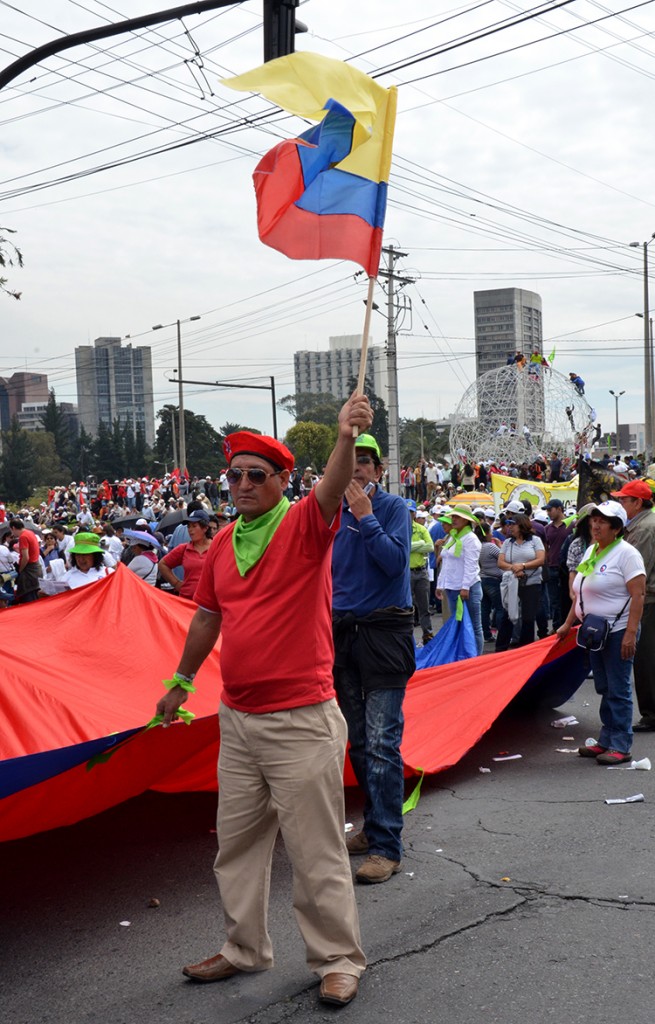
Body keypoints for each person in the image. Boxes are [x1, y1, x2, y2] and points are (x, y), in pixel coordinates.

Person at [155, 394, 371, 1007]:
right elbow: (205, 618)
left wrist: (344, 436)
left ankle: (338, 960)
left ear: (282, 481)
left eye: (257, 474)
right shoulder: (224, 541)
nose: (243, 484)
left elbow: (331, 488)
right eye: (235, 475)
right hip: (239, 719)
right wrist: (181, 682)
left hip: (301, 720)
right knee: (238, 846)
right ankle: (243, 948)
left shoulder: (305, 524)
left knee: (316, 850)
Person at [331, 432, 414, 885]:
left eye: (366, 462)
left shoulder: (393, 509)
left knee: (383, 742)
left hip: (385, 633)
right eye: (351, 461)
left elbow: (394, 563)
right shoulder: (327, 515)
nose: (358, 468)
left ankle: (387, 846)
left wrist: (366, 518)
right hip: (341, 634)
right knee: (358, 741)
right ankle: (373, 826)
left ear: (379, 471)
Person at [556, 501, 645, 764]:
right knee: (604, 687)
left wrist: (630, 633)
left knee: (618, 689)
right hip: (594, 632)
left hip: (618, 631)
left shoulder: (627, 554)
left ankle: (621, 745)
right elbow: (581, 592)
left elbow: (638, 595)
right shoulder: (593, 550)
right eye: (593, 520)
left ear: (616, 528)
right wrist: (567, 623)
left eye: (602, 521)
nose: (595, 525)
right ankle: (606, 739)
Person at [610, 480, 655, 731]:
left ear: (638, 503)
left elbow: (638, 573)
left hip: (648, 599)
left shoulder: (644, 528)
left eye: (623, 500)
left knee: (645, 658)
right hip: (647, 597)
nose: (620, 504)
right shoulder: (640, 525)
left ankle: (651, 714)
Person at [436, 504, 484, 655]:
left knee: (474, 626)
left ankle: (476, 658)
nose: (454, 519)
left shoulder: (470, 538)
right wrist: (440, 584)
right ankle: (464, 655)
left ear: (466, 520)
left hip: (467, 588)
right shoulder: (454, 537)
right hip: (452, 587)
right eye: (453, 516)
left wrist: (465, 587)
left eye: (457, 517)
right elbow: (446, 562)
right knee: (458, 624)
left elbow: (471, 565)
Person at [495, 514, 546, 650]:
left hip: (532, 583)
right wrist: (514, 568)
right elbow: (500, 562)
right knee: (508, 615)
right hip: (513, 582)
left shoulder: (535, 540)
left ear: (522, 525)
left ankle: (526, 649)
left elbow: (541, 560)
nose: (509, 527)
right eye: (508, 524)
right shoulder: (507, 543)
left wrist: (523, 566)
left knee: (528, 618)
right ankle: (500, 649)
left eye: (512, 524)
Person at [158, 509, 213, 599]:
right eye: (189, 527)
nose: (190, 530)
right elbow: (162, 564)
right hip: (187, 602)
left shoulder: (216, 547)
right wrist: (176, 583)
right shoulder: (184, 549)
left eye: (194, 526)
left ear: (205, 528)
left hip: (210, 604)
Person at [407, 500, 434, 645]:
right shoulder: (399, 527)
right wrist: (419, 545)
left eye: (411, 512)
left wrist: (410, 547)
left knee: (424, 607)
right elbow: (402, 547)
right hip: (407, 573)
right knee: (407, 607)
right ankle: (408, 637)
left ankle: (427, 636)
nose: (410, 515)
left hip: (421, 572)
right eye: (408, 512)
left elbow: (430, 547)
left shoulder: (421, 528)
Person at [544, 498, 571, 630]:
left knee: (567, 598)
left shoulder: (571, 525)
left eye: (550, 510)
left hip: (567, 569)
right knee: (554, 601)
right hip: (552, 568)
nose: (548, 513)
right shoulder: (547, 529)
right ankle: (556, 627)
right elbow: (545, 548)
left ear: (559, 509)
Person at [9, 518, 43, 603]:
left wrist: (20, 569)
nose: (12, 533)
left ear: (13, 528)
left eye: (11, 531)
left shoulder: (23, 536)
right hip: (35, 567)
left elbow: (26, 557)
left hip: (29, 569)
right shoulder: (30, 533)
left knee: (29, 597)